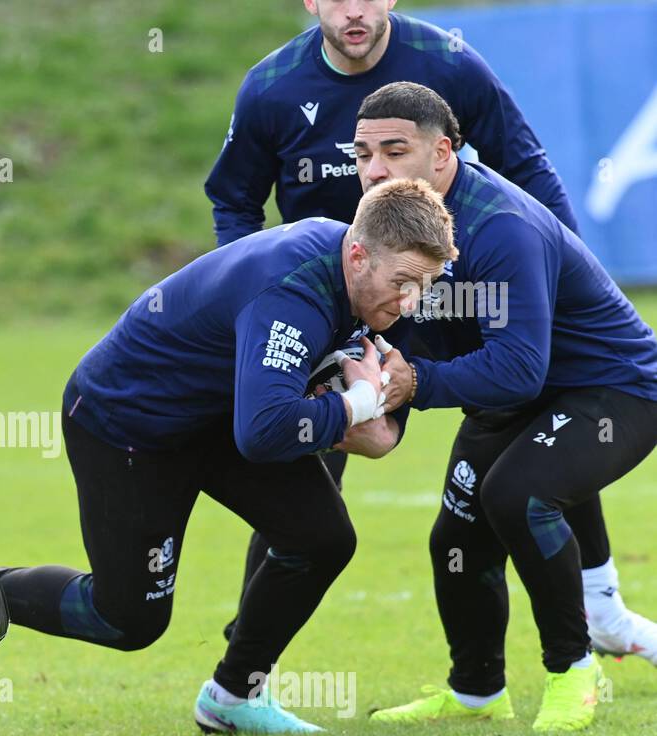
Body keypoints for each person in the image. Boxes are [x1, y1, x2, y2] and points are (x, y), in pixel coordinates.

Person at [206, 0, 655, 655]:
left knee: (540, 425)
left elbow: (525, 165)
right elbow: (235, 200)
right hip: (329, 311)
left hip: (440, 299)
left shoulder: (448, 62)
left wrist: (558, 279)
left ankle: (598, 609)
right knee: (304, 463)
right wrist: (255, 301)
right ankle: (246, 666)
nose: (352, 10)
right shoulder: (272, 88)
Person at [0, 179, 455, 734]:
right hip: (129, 427)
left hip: (215, 417)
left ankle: (233, 697)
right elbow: (263, 433)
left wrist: (378, 415)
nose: (410, 303)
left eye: (423, 289)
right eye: (403, 285)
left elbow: (381, 389)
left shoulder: (372, 275)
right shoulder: (294, 295)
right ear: (357, 256)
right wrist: (358, 403)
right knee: (126, 620)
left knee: (321, 539)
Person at [348, 83, 657, 729]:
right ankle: (476, 694)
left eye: (394, 150)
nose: (375, 169)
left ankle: (574, 669)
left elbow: (518, 368)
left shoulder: (502, 228)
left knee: (519, 497)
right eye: (363, 153)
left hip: (613, 389)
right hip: (520, 392)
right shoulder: (389, 219)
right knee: (454, 542)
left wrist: (415, 385)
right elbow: (408, 329)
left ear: (443, 153)